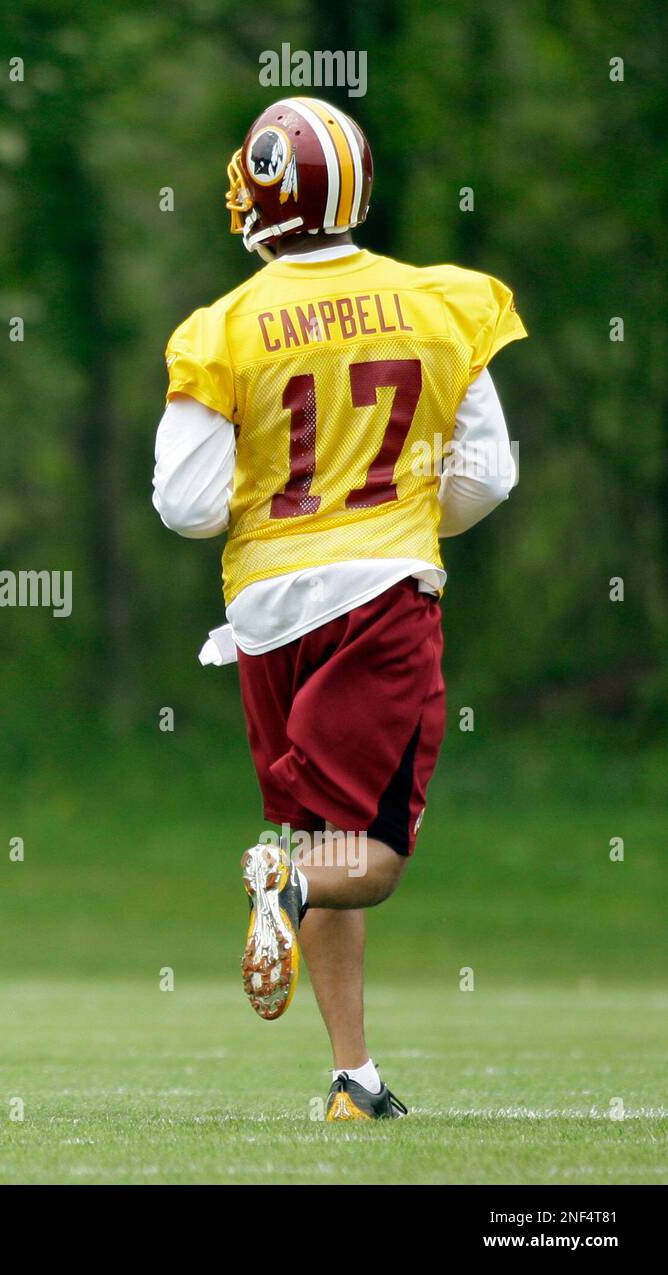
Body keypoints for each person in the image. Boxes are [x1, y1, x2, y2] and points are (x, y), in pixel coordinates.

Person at [152, 97, 525, 1119]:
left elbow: (183, 506)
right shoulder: (440, 302)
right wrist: (400, 508)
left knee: (319, 830)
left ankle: (352, 1078)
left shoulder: (222, 325)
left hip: (266, 612)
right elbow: (486, 475)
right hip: (380, 591)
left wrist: (277, 493)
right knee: (368, 859)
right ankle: (283, 883)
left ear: (265, 188)